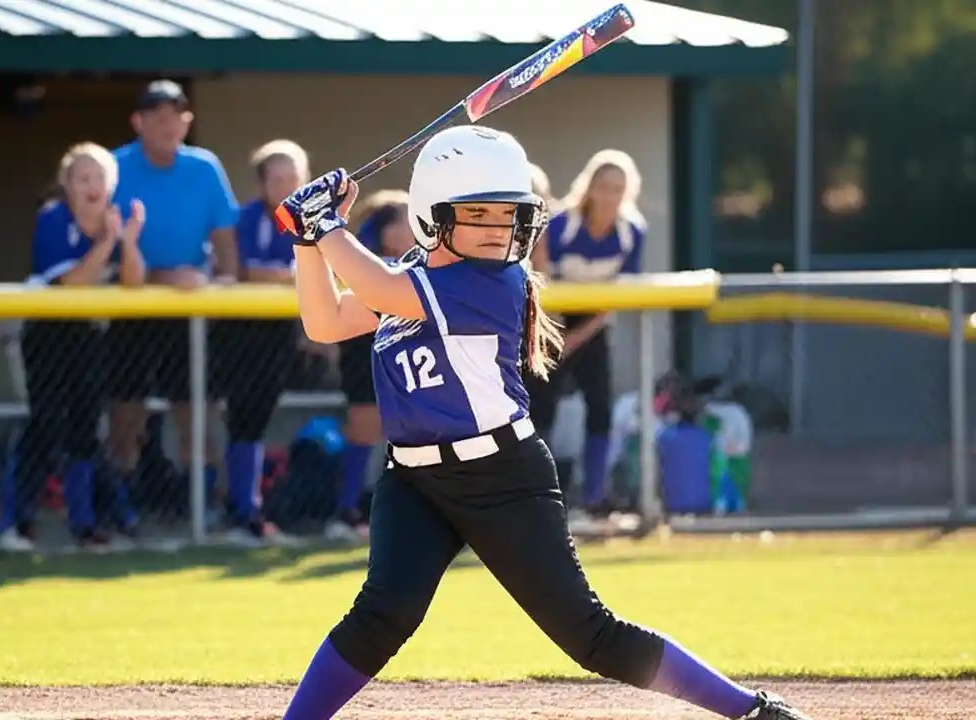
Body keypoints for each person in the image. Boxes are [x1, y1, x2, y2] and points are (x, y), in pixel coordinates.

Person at [273, 125, 812, 720]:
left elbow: (375, 283)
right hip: (413, 481)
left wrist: (325, 225)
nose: (500, 228)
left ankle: (751, 710)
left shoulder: (490, 280)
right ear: (433, 214)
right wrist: (307, 240)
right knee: (384, 612)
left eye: (508, 214)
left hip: (501, 477)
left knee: (592, 636)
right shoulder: (413, 271)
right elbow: (324, 322)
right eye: (479, 214)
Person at [1, 143, 146, 552]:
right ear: (67, 185)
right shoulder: (53, 219)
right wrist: (106, 243)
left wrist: (129, 241)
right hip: (47, 334)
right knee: (44, 424)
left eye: (100, 177)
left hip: (90, 337)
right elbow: (72, 283)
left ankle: (84, 524)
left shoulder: (116, 221)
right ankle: (18, 522)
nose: (92, 185)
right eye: (82, 178)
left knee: (85, 428)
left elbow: (133, 283)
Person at [108, 80, 239, 525]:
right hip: (131, 307)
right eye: (157, 116)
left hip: (190, 314)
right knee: (127, 411)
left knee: (197, 411)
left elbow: (225, 241)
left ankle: (200, 507)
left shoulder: (204, 167)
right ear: (137, 122)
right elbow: (105, 244)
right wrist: (165, 277)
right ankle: (118, 505)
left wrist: (223, 281)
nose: (168, 125)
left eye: (176, 116)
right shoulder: (114, 166)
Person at [528, 149, 645, 525]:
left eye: (618, 188)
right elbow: (541, 278)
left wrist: (578, 337)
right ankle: (537, 499)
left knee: (600, 407)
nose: (610, 195)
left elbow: (620, 294)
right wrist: (556, 333)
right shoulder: (562, 224)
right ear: (589, 186)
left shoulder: (632, 232)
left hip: (593, 325)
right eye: (604, 186)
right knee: (540, 408)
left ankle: (593, 499)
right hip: (550, 319)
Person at [212, 139, 309, 547]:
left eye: (293, 178)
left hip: (280, 332)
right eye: (278, 178)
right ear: (262, 182)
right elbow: (247, 270)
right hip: (239, 332)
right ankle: (242, 511)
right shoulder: (246, 217)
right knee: (242, 418)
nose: (286, 186)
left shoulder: (307, 222)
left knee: (258, 417)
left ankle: (248, 508)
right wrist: (289, 276)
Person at [324, 189, 414, 542]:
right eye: (407, 223)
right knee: (364, 429)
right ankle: (346, 511)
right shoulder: (368, 264)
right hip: (365, 355)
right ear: (388, 232)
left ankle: (389, 512)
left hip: (404, 359)